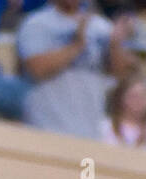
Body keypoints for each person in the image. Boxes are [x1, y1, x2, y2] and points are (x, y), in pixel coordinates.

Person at [17, 0, 135, 139]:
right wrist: (77, 45)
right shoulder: (37, 24)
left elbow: (120, 74)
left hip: (89, 130)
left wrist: (115, 44)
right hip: (44, 127)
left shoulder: (100, 26)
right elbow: (37, 68)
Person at [101, 74, 146, 148]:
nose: (139, 101)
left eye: (143, 96)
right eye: (134, 96)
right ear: (121, 99)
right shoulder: (106, 126)